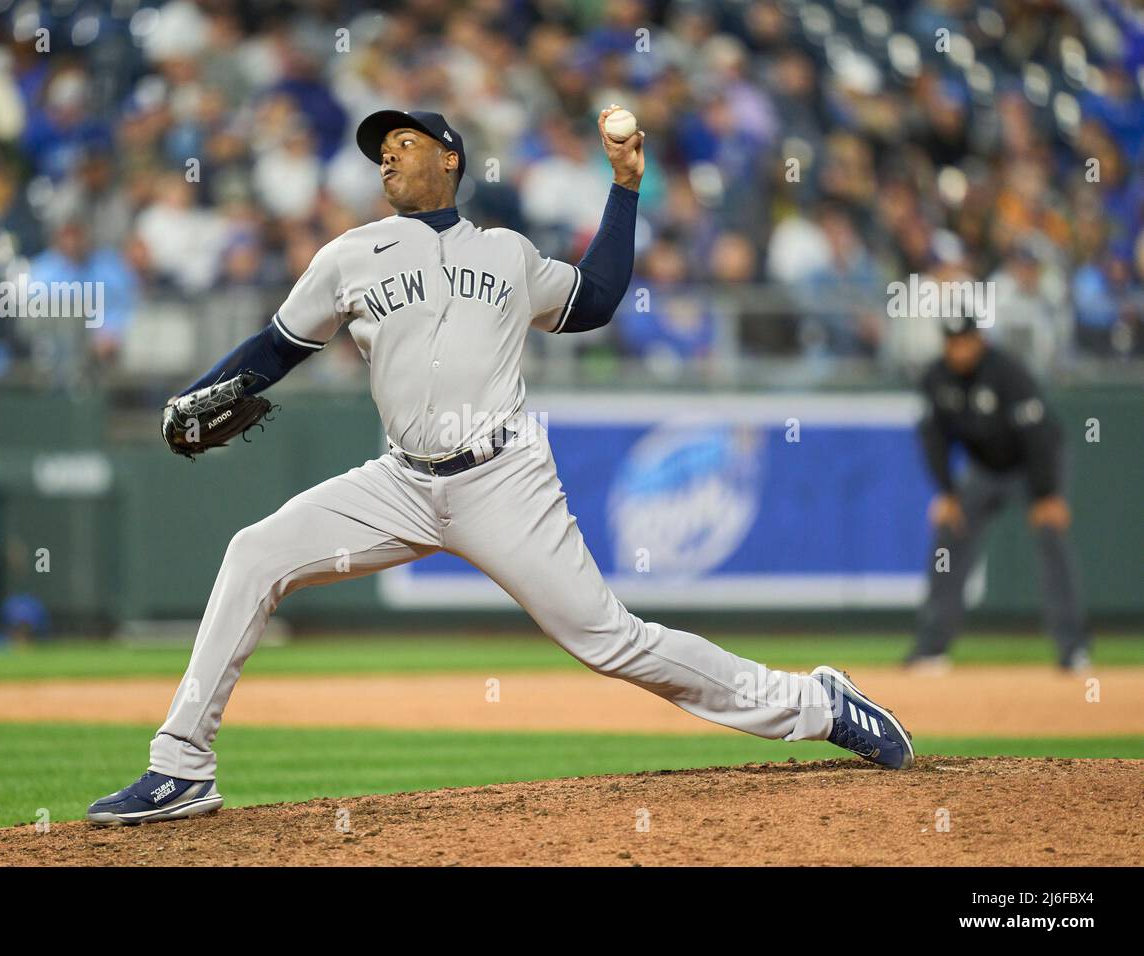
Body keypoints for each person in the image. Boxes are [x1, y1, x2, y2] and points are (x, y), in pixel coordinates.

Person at [86, 108, 915, 826]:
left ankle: (817, 703)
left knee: (613, 643)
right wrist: (195, 394)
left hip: (503, 479)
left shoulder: (508, 254)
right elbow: (277, 347)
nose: (387, 155)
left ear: (451, 158)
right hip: (400, 483)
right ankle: (182, 766)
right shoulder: (350, 254)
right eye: (380, 148)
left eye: (404, 142)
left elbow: (594, 299)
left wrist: (625, 187)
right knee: (253, 553)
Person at [908, 314, 1091, 672]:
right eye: (952, 341)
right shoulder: (936, 378)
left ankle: (1073, 649)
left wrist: (1047, 494)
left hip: (1034, 465)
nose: (958, 349)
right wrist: (946, 492)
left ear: (980, 339)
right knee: (949, 538)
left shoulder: (1007, 372)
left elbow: (1037, 436)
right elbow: (933, 439)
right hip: (985, 470)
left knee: (1051, 538)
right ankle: (931, 648)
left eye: (965, 339)